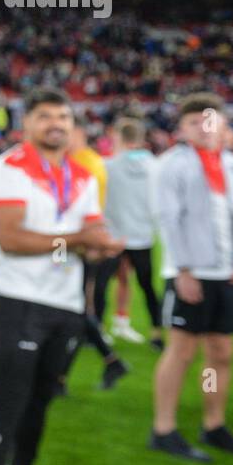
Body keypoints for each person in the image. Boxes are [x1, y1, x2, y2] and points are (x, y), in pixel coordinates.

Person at [0, 88, 124, 465]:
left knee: (43, 398)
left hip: (66, 304)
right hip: (21, 299)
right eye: (45, 116)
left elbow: (91, 236)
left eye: (63, 115)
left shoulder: (81, 174)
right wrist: (79, 239)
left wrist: (99, 245)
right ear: (28, 124)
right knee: (10, 401)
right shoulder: (10, 168)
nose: (55, 123)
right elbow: (14, 240)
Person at [149, 93, 233, 461]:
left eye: (210, 120)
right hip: (190, 273)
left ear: (223, 125)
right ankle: (163, 429)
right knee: (181, 351)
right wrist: (182, 270)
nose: (204, 127)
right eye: (195, 121)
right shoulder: (172, 165)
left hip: (227, 274)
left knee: (220, 352)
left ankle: (213, 425)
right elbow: (169, 220)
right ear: (182, 128)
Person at [67, 122, 131, 389]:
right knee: (73, 308)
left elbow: (83, 207)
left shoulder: (87, 164)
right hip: (81, 243)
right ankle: (60, 377)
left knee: (74, 308)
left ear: (80, 133)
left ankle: (111, 361)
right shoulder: (83, 161)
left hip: (84, 244)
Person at [93, 117, 162, 345]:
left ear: (118, 137)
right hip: (143, 236)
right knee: (146, 286)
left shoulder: (106, 165)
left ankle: (97, 331)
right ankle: (156, 333)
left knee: (101, 284)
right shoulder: (157, 165)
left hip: (113, 236)